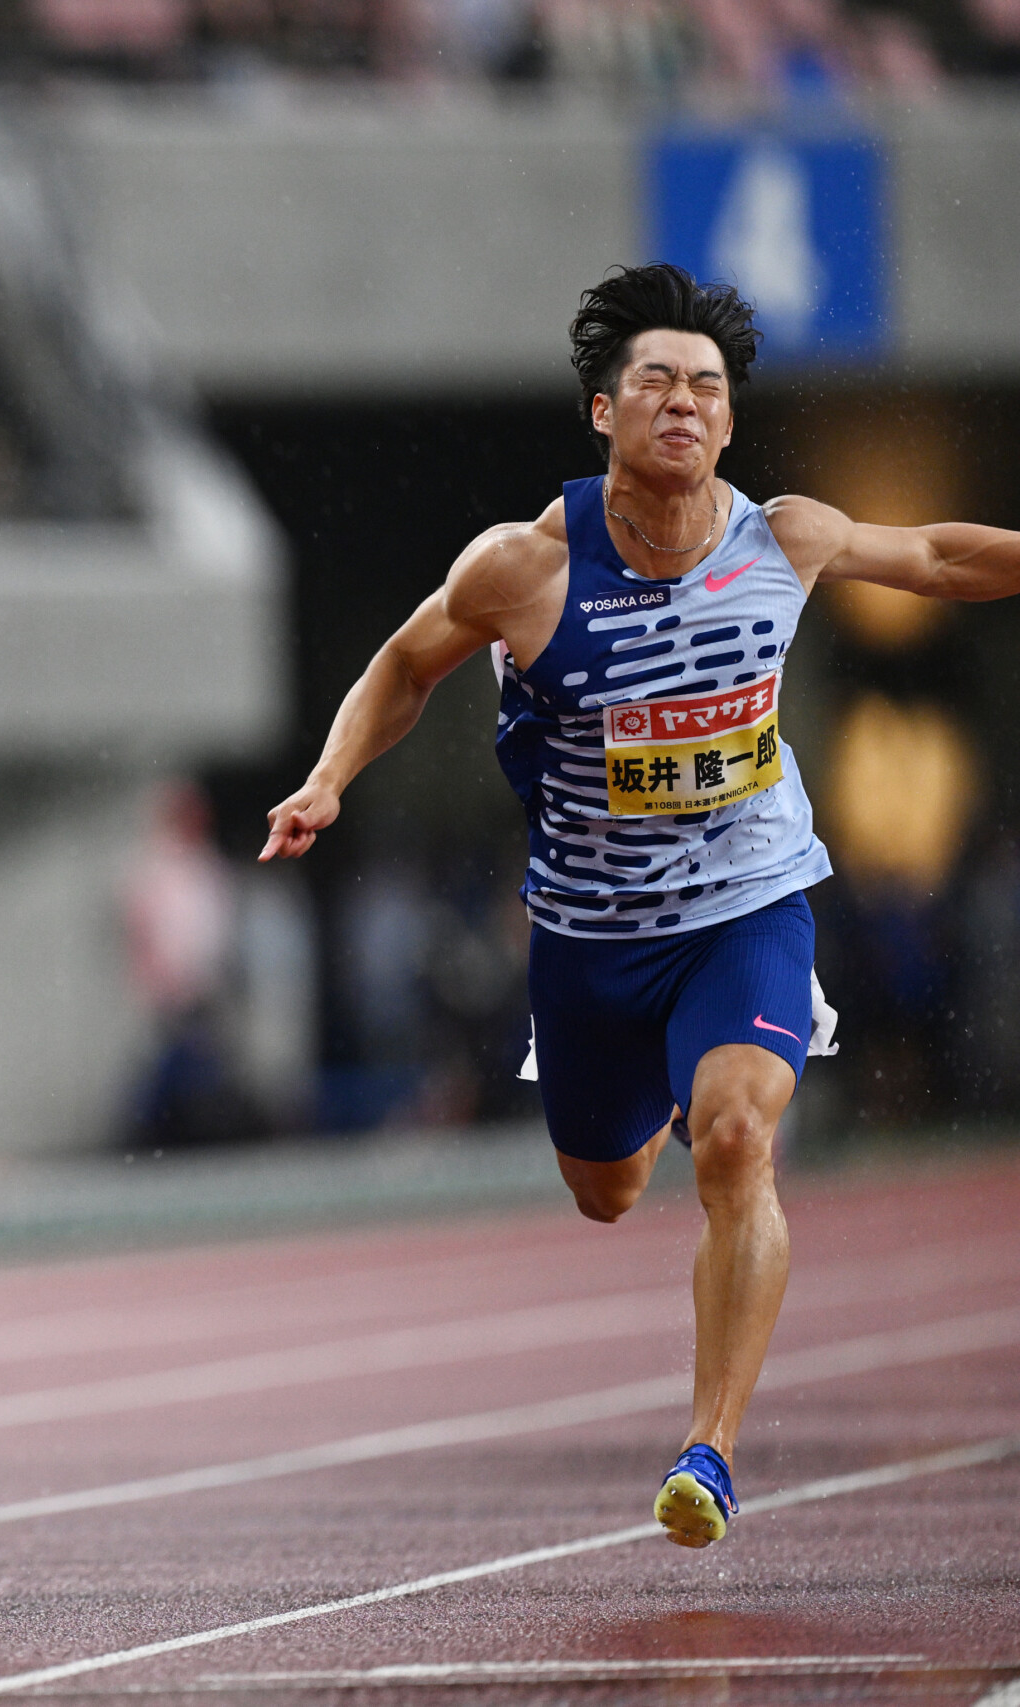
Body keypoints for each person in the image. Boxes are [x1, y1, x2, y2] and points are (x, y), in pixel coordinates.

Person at [261, 261, 1020, 1550]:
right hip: (592, 936)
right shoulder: (523, 567)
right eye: (656, 381)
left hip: (750, 907)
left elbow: (942, 555)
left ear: (729, 422)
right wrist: (330, 777)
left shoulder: (786, 538)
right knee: (608, 1189)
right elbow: (405, 664)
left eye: (707, 387)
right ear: (601, 413)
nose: (683, 402)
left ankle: (710, 1452)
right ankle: (651, 1094)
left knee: (735, 1141)